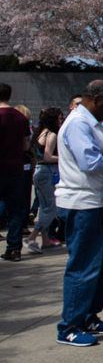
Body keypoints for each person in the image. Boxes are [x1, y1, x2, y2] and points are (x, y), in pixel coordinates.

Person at [54, 80, 103, 346]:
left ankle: (88, 314)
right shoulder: (79, 123)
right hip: (81, 201)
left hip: (94, 199)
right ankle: (69, 325)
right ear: (96, 99)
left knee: (100, 263)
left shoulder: (89, 121)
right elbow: (89, 160)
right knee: (83, 265)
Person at [26, 107, 64, 254]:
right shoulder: (52, 134)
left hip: (39, 172)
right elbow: (48, 156)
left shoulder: (40, 132)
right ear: (53, 119)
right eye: (60, 118)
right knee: (50, 209)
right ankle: (31, 238)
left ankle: (46, 240)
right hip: (47, 171)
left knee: (44, 207)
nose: (61, 121)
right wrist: (66, 158)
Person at [0, 83, 31, 262]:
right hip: (15, 168)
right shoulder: (20, 116)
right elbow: (26, 144)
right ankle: (14, 248)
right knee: (16, 210)